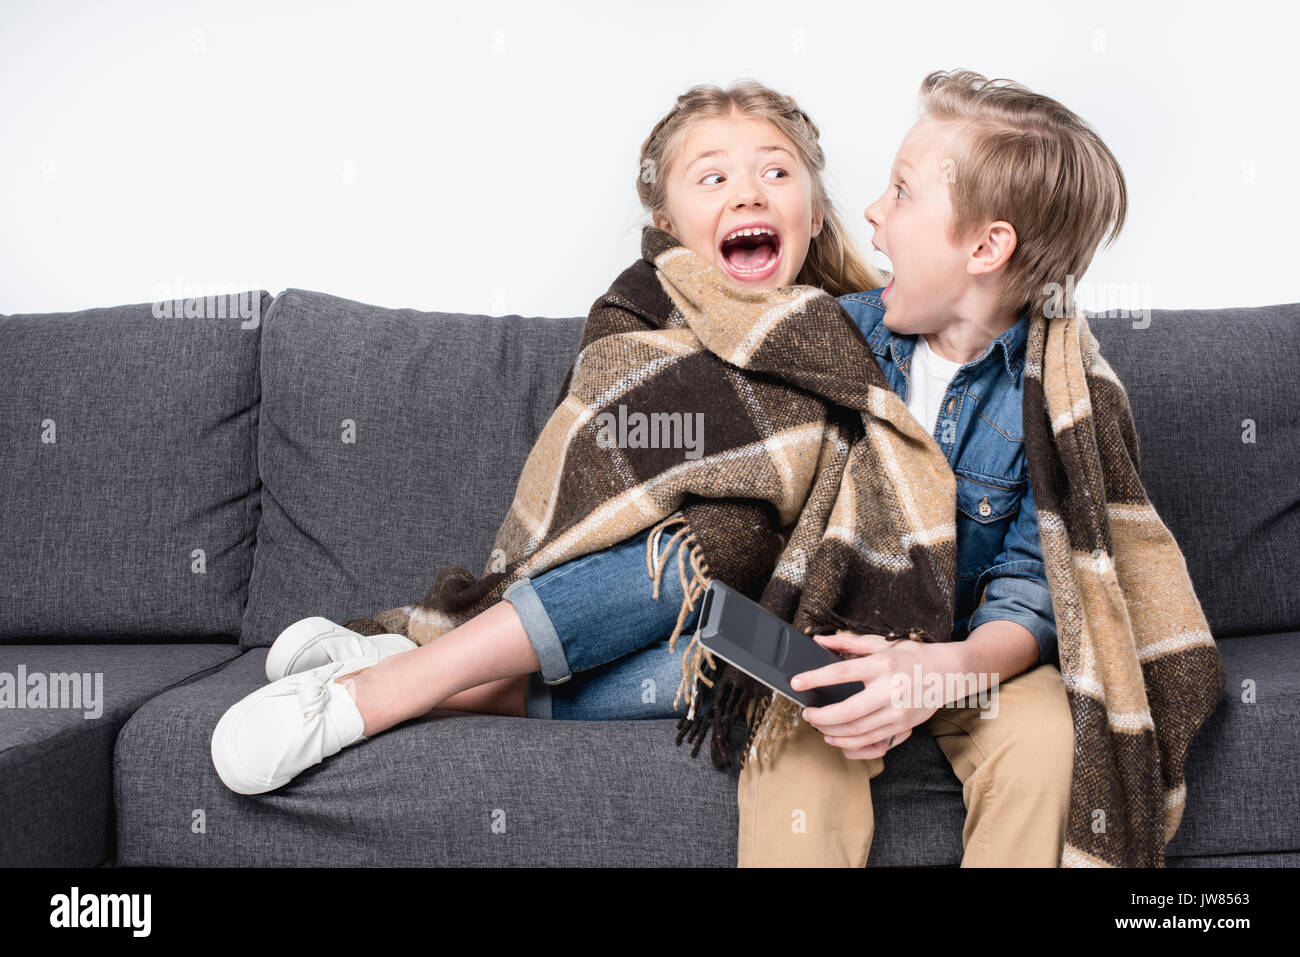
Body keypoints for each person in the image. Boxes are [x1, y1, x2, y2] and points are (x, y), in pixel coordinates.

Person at [209, 78, 886, 796]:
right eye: (713, 176)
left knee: (765, 677)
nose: (749, 193)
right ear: (668, 225)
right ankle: (378, 696)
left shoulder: (862, 333)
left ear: (814, 216)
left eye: (777, 172)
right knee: (700, 551)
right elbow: (597, 463)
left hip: (770, 603)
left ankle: (402, 669)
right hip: (630, 574)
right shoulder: (636, 313)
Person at [737, 68, 1128, 866]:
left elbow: (1032, 587)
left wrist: (941, 670)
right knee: (794, 755)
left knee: (1047, 734)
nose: (873, 214)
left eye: (903, 193)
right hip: (831, 642)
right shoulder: (832, 340)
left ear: (986, 247)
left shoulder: (1059, 398)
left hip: (962, 653)